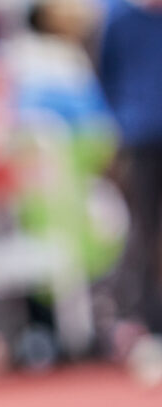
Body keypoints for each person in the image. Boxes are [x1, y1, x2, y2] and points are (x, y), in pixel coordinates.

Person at [95, 0, 162, 377]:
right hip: (140, 136)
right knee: (144, 232)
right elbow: (106, 71)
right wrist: (123, 118)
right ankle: (146, 328)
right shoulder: (119, 18)